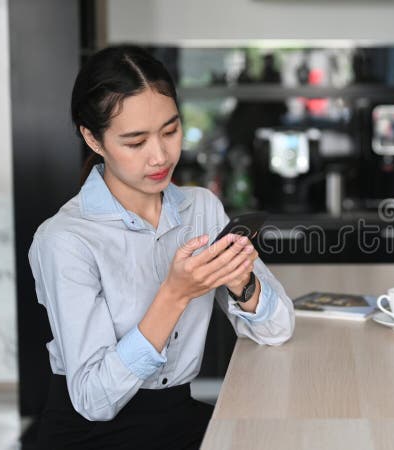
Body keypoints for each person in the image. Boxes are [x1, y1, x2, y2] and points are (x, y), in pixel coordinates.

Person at [28, 45, 295, 449]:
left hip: (176, 417)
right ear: (92, 138)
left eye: (170, 131)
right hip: (90, 434)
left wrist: (244, 285)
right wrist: (174, 294)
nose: (160, 155)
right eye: (135, 142)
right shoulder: (65, 240)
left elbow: (279, 330)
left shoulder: (200, 208)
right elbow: (94, 399)